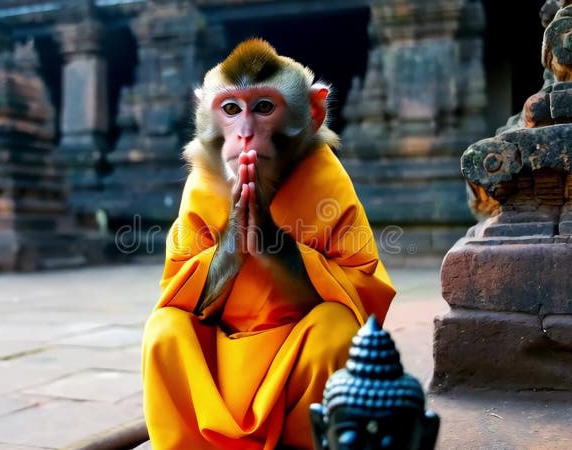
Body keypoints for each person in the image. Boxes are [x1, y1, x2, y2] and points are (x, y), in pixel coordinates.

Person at [142, 39, 396, 450]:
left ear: (313, 112)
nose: (245, 134)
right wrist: (232, 248)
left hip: (297, 359)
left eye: (264, 108)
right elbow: (177, 295)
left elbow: (363, 294)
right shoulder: (204, 183)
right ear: (204, 115)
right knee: (165, 331)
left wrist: (277, 248)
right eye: (230, 109)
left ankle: (302, 442)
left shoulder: (326, 182)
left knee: (339, 331)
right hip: (219, 364)